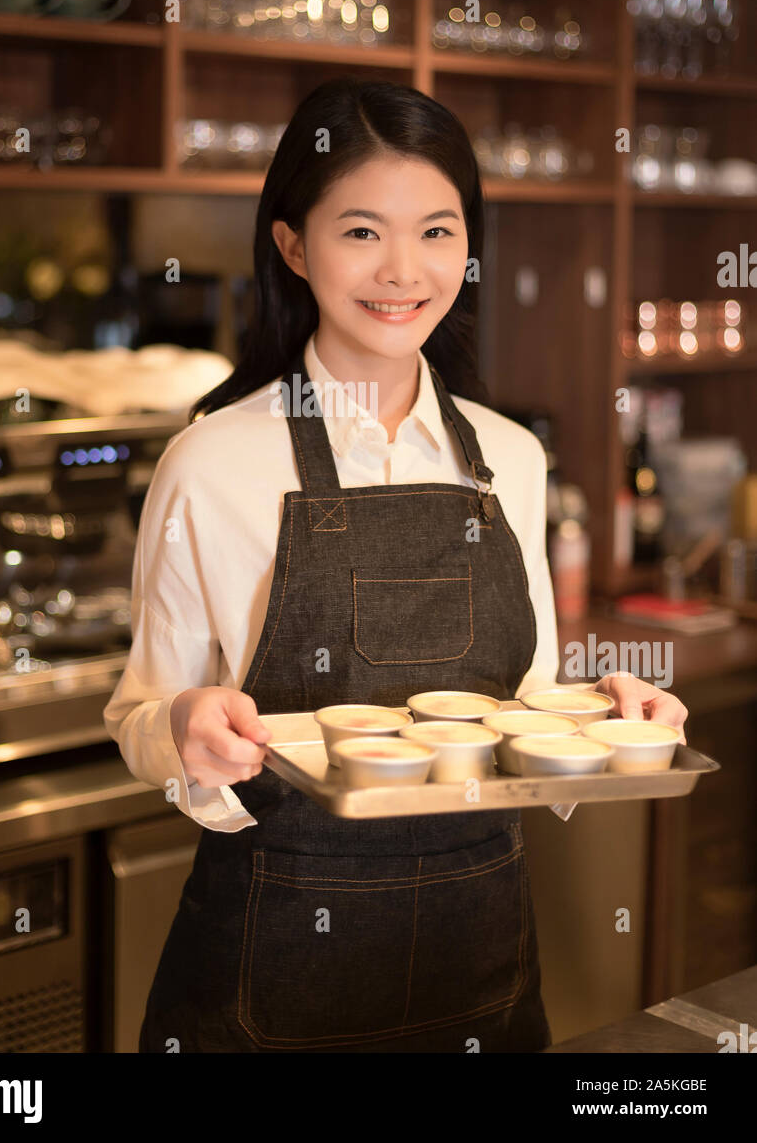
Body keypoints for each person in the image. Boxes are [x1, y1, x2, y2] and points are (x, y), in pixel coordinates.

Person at [104, 78, 687, 1053]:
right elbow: (137, 715)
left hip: (481, 971)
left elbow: (521, 704)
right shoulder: (210, 458)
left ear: (468, 250)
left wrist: (607, 720)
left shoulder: (510, 456)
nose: (402, 269)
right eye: (362, 231)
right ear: (293, 245)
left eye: (437, 232)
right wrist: (182, 726)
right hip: (269, 973)